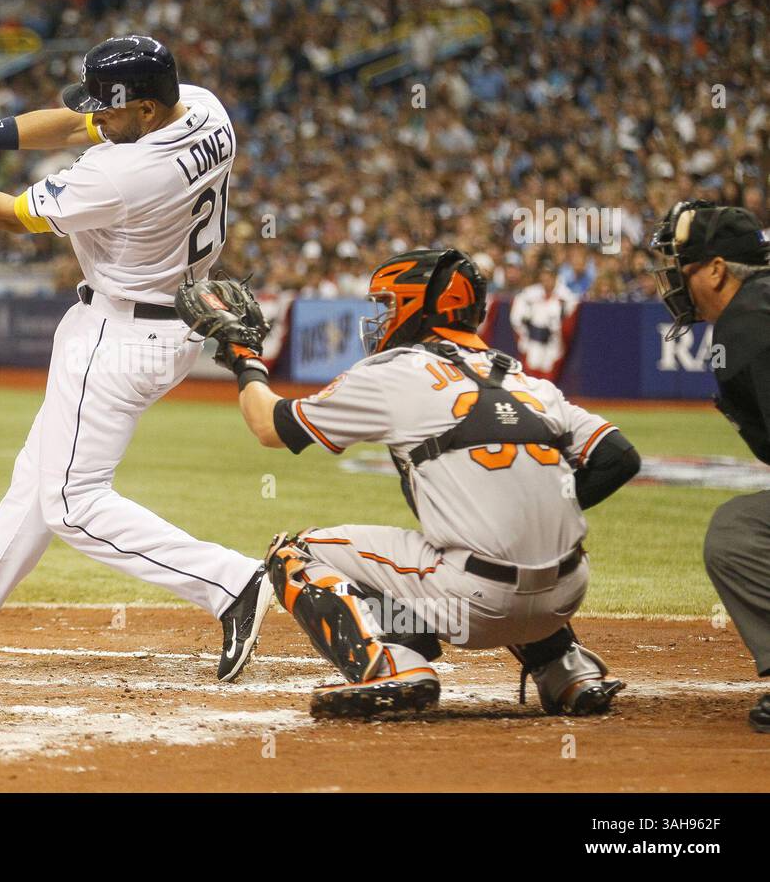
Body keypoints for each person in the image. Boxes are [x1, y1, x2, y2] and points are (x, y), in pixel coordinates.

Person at [0, 35, 272, 681]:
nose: (98, 120)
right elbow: (73, 124)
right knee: (37, 482)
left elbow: (10, 214)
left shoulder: (125, 173)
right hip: (151, 321)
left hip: (122, 335)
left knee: (72, 503)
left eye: (113, 110)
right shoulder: (200, 107)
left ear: (144, 108)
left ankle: (231, 582)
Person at [198, 249, 638, 717]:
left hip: (473, 603)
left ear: (417, 306)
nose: (381, 317)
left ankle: (395, 666)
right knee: (511, 545)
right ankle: (568, 671)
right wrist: (543, 511)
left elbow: (269, 426)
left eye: (389, 303)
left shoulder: (395, 373)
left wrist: (243, 356)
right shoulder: (527, 381)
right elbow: (618, 457)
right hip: (566, 594)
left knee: (294, 554)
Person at [651, 200, 770, 733]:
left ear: (718, 269)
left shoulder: (747, 325)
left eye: (685, 266)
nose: (675, 280)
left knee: (738, 533)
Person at [509, 259, 578, 381]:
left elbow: (568, 322)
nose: (546, 279)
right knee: (530, 375)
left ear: (555, 276)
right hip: (533, 339)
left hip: (552, 342)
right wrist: (525, 335)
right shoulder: (530, 293)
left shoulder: (566, 296)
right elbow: (517, 318)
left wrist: (558, 334)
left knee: (548, 378)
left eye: (549, 275)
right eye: (543, 275)